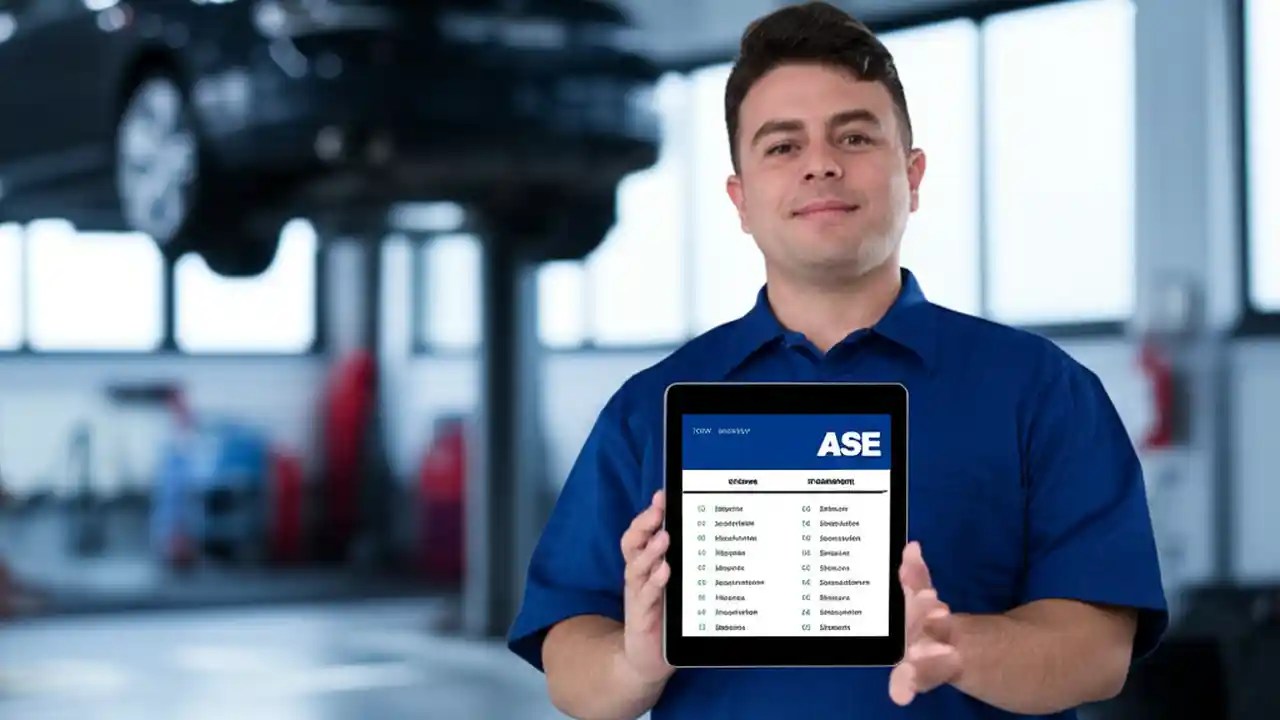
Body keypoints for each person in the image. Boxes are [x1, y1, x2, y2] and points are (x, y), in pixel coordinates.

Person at [506, 2, 1168, 718]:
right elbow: (568, 656)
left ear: (912, 176)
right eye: (782, 146)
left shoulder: (1041, 392)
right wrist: (636, 659)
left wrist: (956, 646)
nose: (821, 163)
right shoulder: (651, 406)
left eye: (854, 136)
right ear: (742, 199)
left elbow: (1100, 652)